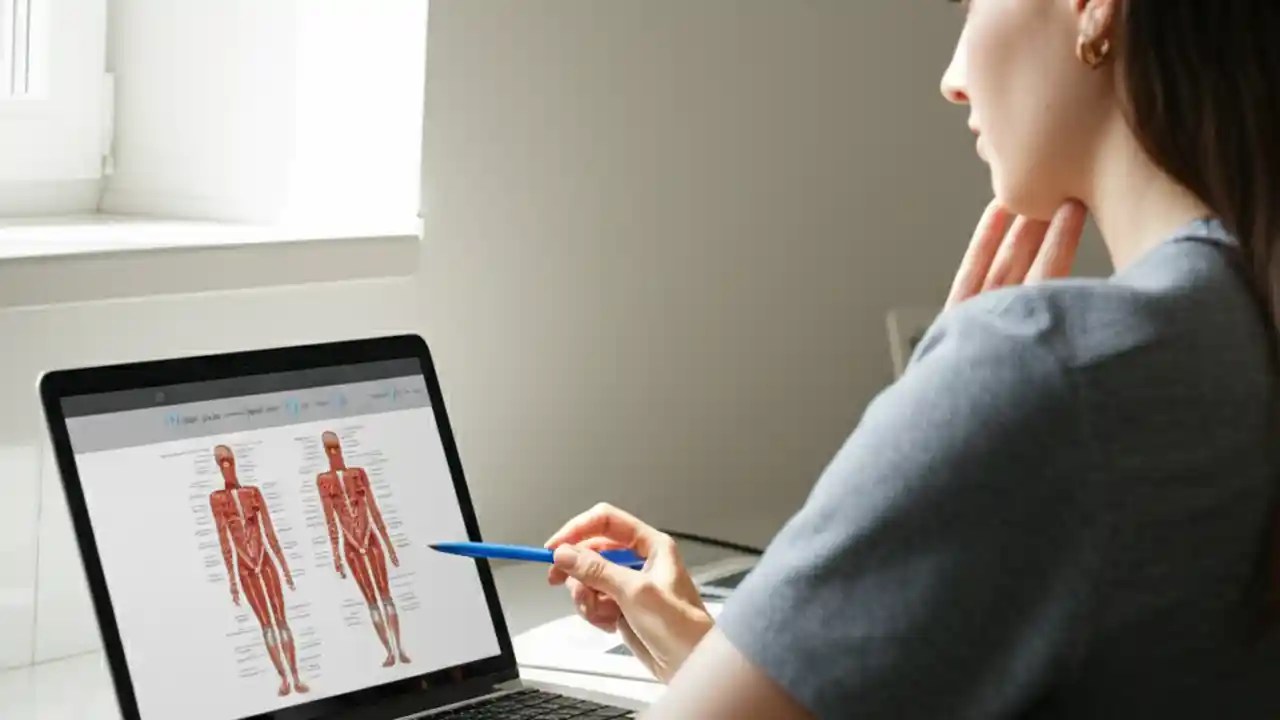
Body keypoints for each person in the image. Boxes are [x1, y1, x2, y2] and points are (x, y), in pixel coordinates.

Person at [545, 1, 1280, 717]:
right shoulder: (1236, 327)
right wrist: (762, 656)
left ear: (1093, 8)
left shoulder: (1042, 371)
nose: (952, 78)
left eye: (968, 6)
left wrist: (948, 410)